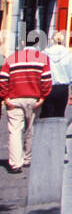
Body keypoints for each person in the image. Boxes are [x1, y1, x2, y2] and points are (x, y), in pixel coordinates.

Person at [0, 42, 52, 173]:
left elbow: (3, 79)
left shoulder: (12, 58)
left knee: (15, 131)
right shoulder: (42, 59)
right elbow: (46, 80)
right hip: (33, 99)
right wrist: (42, 98)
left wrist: (5, 97)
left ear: (23, 46)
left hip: (14, 98)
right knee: (31, 129)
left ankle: (15, 164)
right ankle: (28, 159)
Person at [41, 32, 72, 119]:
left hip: (47, 87)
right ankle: (58, 132)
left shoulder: (44, 53)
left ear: (52, 41)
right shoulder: (68, 54)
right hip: (62, 89)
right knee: (59, 115)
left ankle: (47, 132)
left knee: (46, 115)